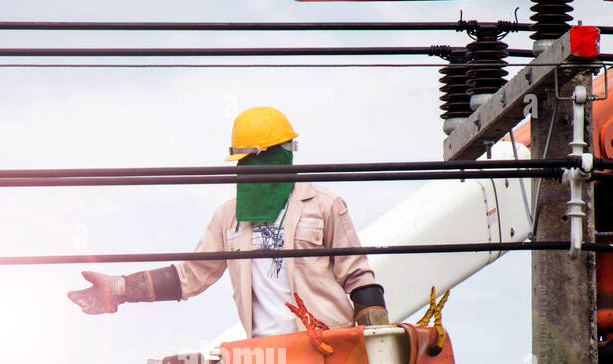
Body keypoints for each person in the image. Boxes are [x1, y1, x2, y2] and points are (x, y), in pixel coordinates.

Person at [67, 106, 388, 335]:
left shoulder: (323, 206)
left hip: (328, 344)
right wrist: (121, 288)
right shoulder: (228, 217)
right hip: (269, 357)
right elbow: (191, 275)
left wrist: (377, 340)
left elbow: (358, 275)